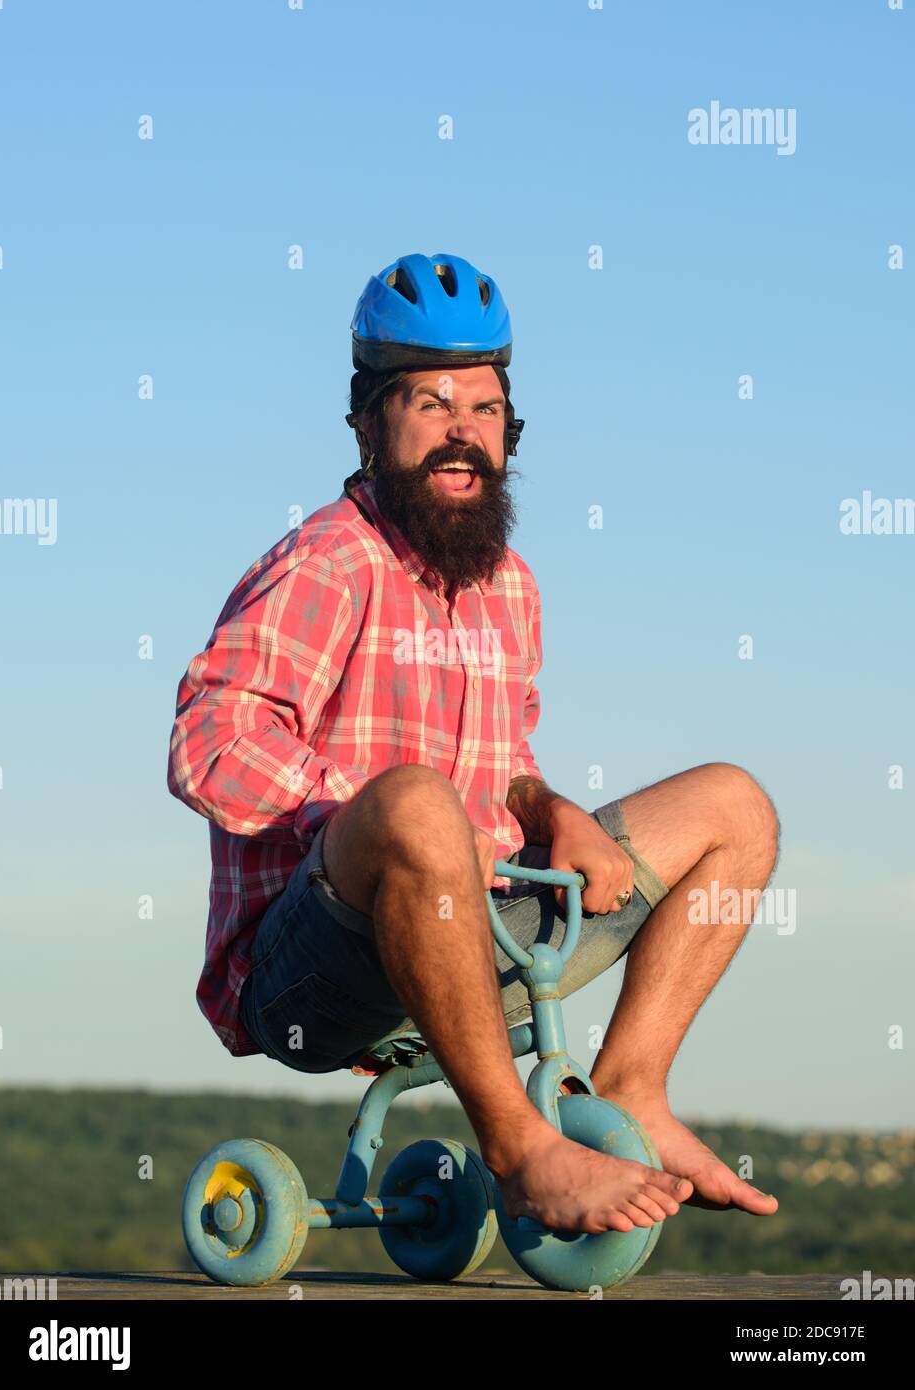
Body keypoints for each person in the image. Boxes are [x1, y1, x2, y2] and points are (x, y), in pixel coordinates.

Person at [167, 251, 781, 1236]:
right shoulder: (330, 559)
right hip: (314, 968)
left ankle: (632, 1089)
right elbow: (208, 738)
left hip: (476, 935)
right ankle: (521, 1148)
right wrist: (379, 820)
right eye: (430, 402)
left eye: (486, 409)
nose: (464, 432)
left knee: (734, 807)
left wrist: (545, 809)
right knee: (413, 800)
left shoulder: (512, 585)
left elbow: (505, 770)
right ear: (368, 425)